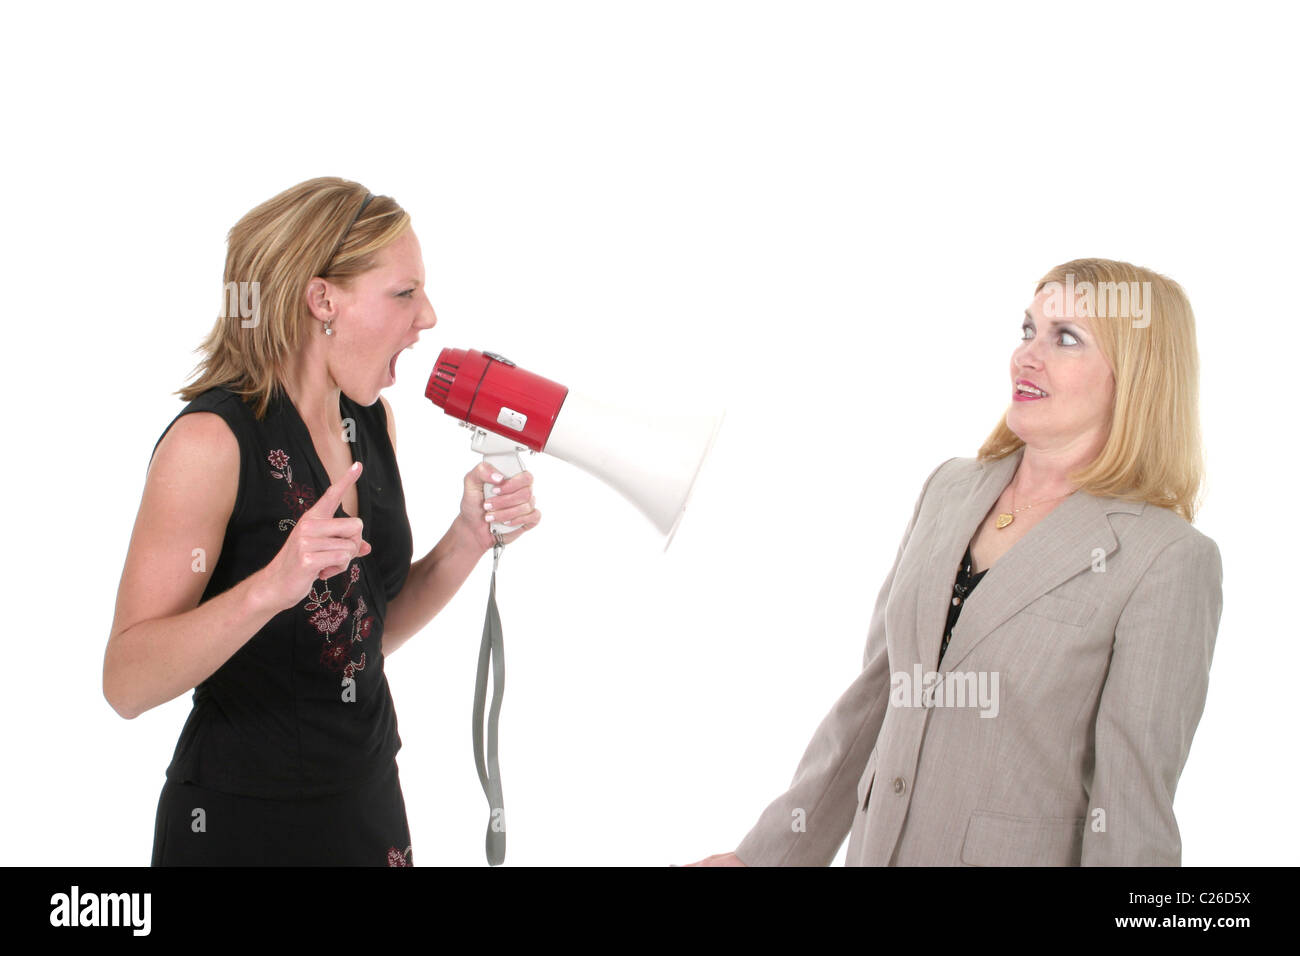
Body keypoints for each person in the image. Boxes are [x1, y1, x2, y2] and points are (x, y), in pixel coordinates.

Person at [688, 258, 1223, 866]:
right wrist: (764, 858)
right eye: (1028, 331)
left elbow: (1131, 808)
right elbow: (874, 704)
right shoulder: (949, 491)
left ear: (1135, 375)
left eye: (1065, 338)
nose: (1027, 356)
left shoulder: (1167, 559)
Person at [103, 177, 542, 866]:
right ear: (321, 301)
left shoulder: (368, 419)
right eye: (404, 293)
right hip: (241, 826)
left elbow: (361, 636)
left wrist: (467, 538)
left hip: (368, 808)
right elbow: (126, 683)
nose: (427, 317)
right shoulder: (210, 445)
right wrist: (269, 587)